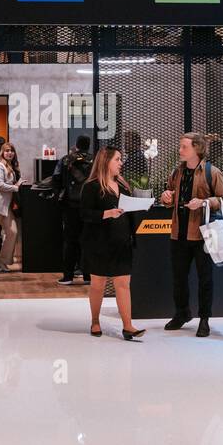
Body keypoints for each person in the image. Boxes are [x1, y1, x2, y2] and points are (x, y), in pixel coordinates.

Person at [158, 132, 223, 338]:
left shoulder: (211, 172)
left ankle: (204, 319)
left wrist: (204, 202)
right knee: (178, 277)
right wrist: (166, 197)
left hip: (202, 234)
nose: (179, 150)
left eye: (184, 147)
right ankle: (182, 313)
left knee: (204, 278)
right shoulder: (176, 172)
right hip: (178, 233)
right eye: (180, 146)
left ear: (197, 149)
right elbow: (169, 195)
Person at [79, 146, 142, 341]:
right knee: (98, 284)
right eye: (117, 159)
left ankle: (128, 326)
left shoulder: (123, 185)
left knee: (123, 283)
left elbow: (129, 213)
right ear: (106, 161)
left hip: (122, 241)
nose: (121, 163)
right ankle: (95, 321)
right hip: (99, 243)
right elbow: (84, 214)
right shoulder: (91, 186)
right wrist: (106, 214)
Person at [53, 135, 92, 286]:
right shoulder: (94, 160)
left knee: (70, 241)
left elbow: (56, 178)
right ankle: (88, 276)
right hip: (88, 206)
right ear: (88, 145)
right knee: (88, 240)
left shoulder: (65, 160)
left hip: (70, 206)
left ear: (76, 145)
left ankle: (68, 276)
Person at [0, 141, 25, 273]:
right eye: (7, 150)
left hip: (6, 206)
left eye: (11, 151)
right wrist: (16, 187)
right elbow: (0, 185)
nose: (9, 153)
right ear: (2, 153)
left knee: (12, 232)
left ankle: (2, 261)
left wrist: (18, 183)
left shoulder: (11, 167)